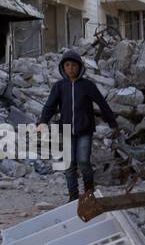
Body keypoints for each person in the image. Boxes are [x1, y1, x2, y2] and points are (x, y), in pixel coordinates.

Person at [40, 50, 118, 202]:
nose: (71, 68)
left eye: (74, 65)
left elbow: (102, 104)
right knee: (69, 165)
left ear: (80, 67)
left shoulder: (88, 86)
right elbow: (50, 106)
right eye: (67, 65)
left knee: (83, 161)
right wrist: (43, 121)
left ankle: (89, 192)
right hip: (67, 130)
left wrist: (113, 124)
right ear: (63, 68)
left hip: (85, 130)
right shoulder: (59, 86)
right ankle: (73, 197)